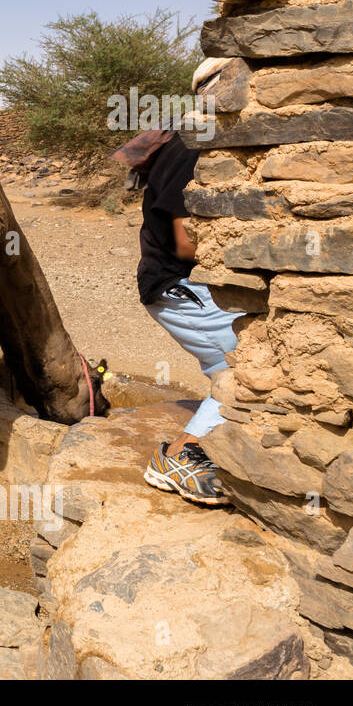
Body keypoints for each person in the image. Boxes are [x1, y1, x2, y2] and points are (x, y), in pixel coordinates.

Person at [133, 126, 235, 507]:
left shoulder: (190, 146)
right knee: (244, 370)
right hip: (179, 286)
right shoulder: (189, 152)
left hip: (181, 284)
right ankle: (179, 455)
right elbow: (186, 243)